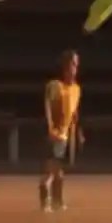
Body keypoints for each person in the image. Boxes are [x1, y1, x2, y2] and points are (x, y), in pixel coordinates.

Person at [41, 51, 82, 213]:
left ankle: (57, 201)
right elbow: (47, 106)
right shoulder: (55, 86)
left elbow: (74, 112)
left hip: (64, 136)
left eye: (76, 65)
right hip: (55, 134)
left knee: (58, 172)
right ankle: (46, 201)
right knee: (52, 171)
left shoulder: (76, 89)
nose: (74, 68)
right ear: (65, 66)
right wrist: (50, 127)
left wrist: (78, 132)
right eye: (72, 64)